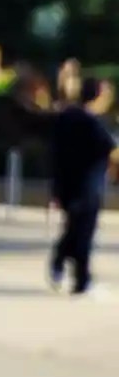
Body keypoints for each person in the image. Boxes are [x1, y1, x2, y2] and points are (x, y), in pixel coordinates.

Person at [49, 77, 115, 296]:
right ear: (99, 96)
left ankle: (64, 266)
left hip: (66, 184)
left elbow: (54, 152)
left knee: (74, 229)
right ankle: (78, 277)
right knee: (83, 233)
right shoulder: (93, 123)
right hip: (88, 186)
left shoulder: (65, 118)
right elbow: (111, 151)